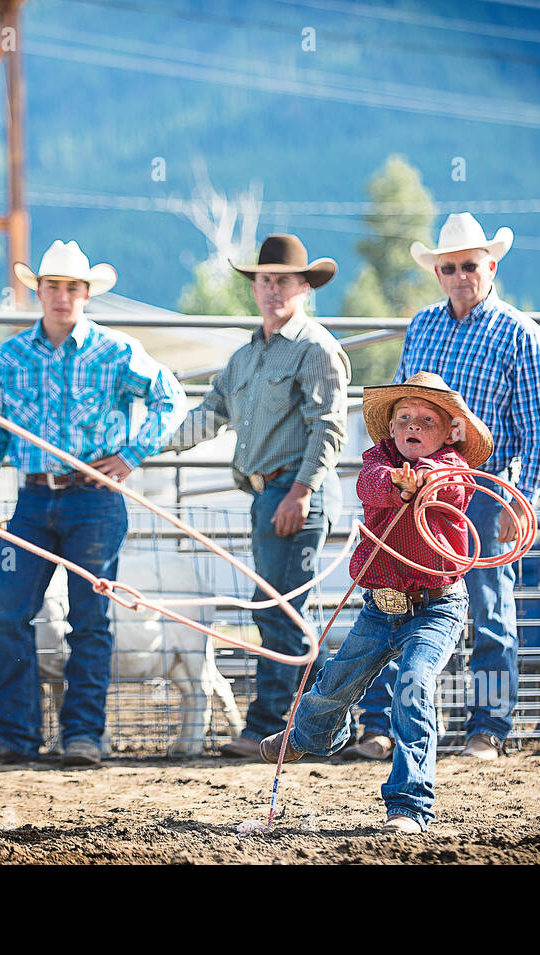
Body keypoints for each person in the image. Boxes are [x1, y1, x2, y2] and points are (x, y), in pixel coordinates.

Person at [0, 240, 184, 766]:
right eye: (53, 287)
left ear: (86, 294)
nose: (62, 297)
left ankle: (83, 735)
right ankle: (18, 735)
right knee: (7, 610)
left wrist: (131, 454)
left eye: (72, 288)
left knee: (89, 616)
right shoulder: (13, 355)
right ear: (40, 292)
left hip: (93, 499)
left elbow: (170, 396)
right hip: (31, 497)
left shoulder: (116, 351)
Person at [349, 213, 540, 762]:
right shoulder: (422, 326)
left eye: (471, 265)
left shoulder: (520, 333)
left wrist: (521, 499)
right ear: (438, 273)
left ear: (490, 266)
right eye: (450, 267)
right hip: (415, 489)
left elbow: (539, 432)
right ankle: (382, 725)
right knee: (396, 592)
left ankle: (488, 727)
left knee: (489, 607)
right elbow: (401, 409)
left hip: (484, 494)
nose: (461, 274)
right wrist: (395, 475)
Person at [260, 372, 492, 833]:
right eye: (404, 416)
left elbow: (450, 488)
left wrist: (422, 482)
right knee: (337, 681)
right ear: (390, 427)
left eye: (427, 419)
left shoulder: (452, 468)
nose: (414, 424)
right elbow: (371, 485)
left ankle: (408, 805)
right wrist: (398, 485)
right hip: (379, 605)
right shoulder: (376, 462)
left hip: (436, 606)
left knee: (414, 684)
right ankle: (315, 733)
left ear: (450, 432)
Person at [166, 234, 350, 757]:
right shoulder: (247, 357)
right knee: (282, 611)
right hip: (269, 494)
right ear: (255, 287)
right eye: (265, 280)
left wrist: (302, 490)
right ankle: (326, 723)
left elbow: (329, 427)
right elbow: (209, 415)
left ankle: (273, 726)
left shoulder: (315, 348)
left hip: (295, 493)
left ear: (302, 288)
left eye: (283, 280)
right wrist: (141, 445)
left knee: (278, 610)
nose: (273, 289)